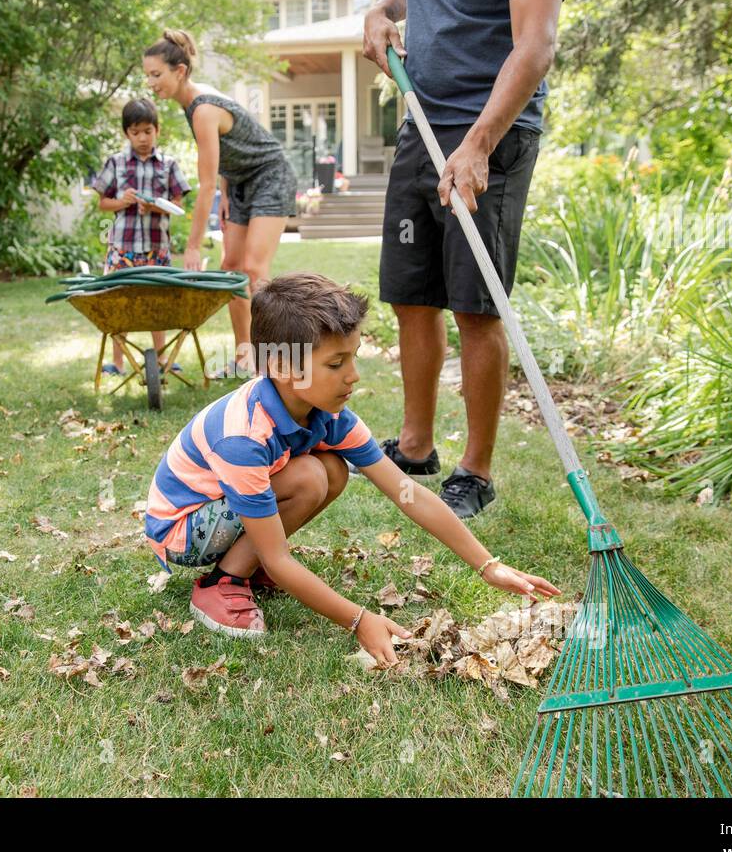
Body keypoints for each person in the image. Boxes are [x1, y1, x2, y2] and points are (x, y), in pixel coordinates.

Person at [142, 272, 560, 667]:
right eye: (336, 363)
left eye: (353, 357)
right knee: (309, 477)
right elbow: (280, 557)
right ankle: (223, 584)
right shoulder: (243, 438)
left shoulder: (329, 414)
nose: (354, 376)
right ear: (283, 367)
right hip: (183, 529)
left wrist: (488, 565)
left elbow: (406, 492)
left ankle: (246, 567)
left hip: (222, 511)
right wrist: (360, 620)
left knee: (332, 470)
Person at [362, 0, 567, 516]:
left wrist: (479, 144)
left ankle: (475, 472)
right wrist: (381, 8)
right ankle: (415, 445)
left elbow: (537, 42)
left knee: (477, 307)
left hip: (492, 134)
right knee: (411, 295)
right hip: (420, 121)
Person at [143, 29, 298, 379]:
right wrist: (227, 195)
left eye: (157, 74)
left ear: (179, 71)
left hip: (271, 176)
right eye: (148, 75)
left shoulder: (203, 109)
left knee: (255, 270)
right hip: (241, 182)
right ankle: (246, 358)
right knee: (231, 269)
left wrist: (194, 245)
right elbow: (232, 150)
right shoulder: (192, 106)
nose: (151, 83)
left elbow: (205, 183)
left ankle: (270, 360)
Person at [91, 97, 191, 376]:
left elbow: (178, 205)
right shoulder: (116, 162)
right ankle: (118, 363)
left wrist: (156, 206)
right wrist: (122, 201)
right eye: (135, 133)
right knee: (120, 302)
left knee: (156, 302)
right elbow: (103, 202)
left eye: (148, 131)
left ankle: (160, 358)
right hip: (122, 247)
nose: (142, 138)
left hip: (156, 248)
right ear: (127, 134)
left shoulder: (168, 164)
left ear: (157, 130)